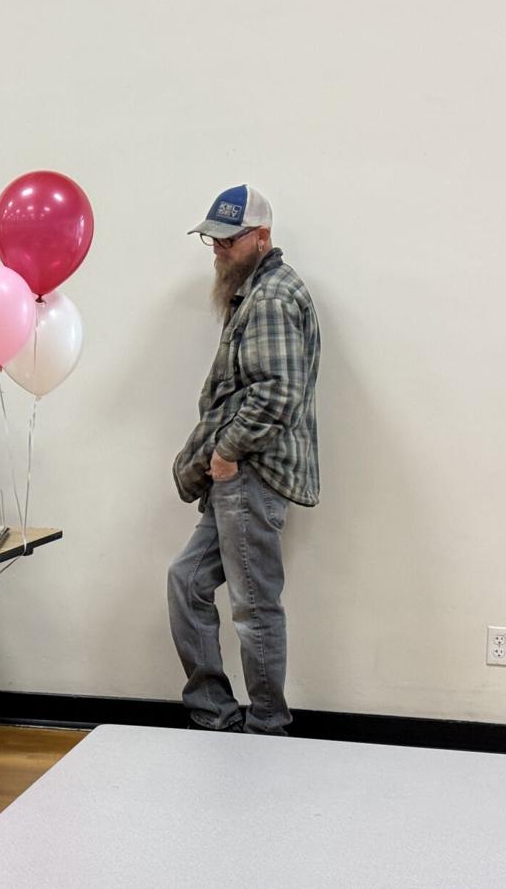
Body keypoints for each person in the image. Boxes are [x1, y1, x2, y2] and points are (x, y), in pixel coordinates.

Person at [167, 184, 320, 736]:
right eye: (213, 239)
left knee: (254, 609)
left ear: (262, 238)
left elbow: (277, 391)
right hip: (236, 477)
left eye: (228, 240)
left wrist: (227, 454)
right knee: (186, 581)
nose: (217, 250)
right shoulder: (254, 291)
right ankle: (215, 714)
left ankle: (268, 727)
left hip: (250, 473)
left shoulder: (272, 297)